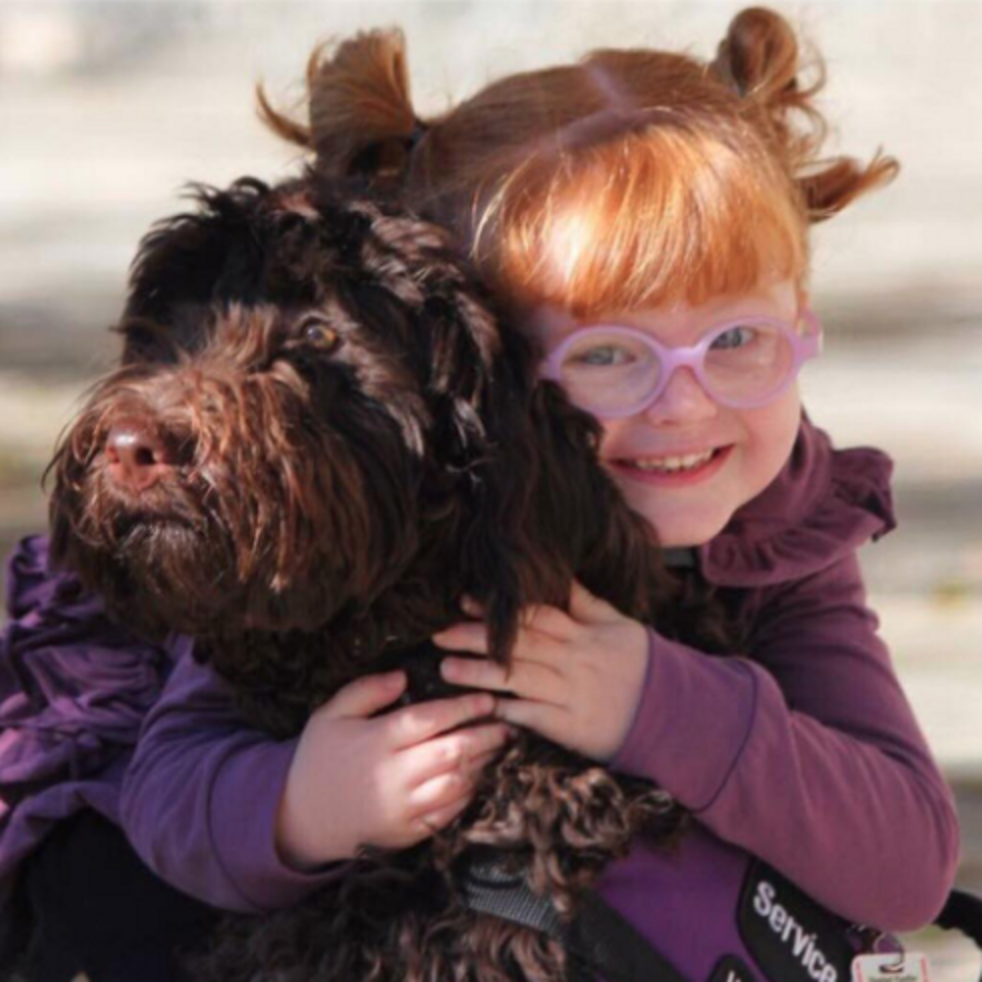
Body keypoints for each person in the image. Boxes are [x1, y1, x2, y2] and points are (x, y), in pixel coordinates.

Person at [2, 7, 960, 980]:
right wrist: (308, 801)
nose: (684, 402)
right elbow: (168, 785)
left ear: (803, 324)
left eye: (738, 343)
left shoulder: (778, 540)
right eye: (608, 355)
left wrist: (656, 702)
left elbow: (910, 864)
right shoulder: (398, 515)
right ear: (482, 379)